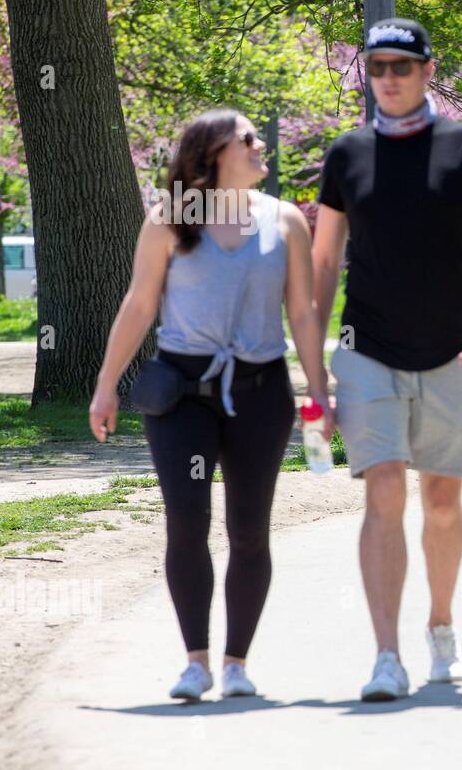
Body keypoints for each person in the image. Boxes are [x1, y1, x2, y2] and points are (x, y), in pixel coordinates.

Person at [89, 110, 331, 701]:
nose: (260, 145)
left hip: (261, 392)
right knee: (187, 523)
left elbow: (301, 311)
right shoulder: (170, 220)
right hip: (181, 394)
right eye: (248, 138)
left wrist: (318, 391)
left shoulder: (285, 221)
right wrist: (106, 383)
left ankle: (236, 664)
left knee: (250, 531)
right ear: (215, 152)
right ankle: (195, 661)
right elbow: (140, 305)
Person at [312, 17, 462, 700]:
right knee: (383, 491)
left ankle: (441, 628)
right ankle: (384, 656)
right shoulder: (347, 154)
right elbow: (323, 261)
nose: (389, 78)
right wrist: (314, 366)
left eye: (402, 66)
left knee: (440, 501)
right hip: (366, 348)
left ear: (428, 72)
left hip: (450, 353)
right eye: (377, 67)